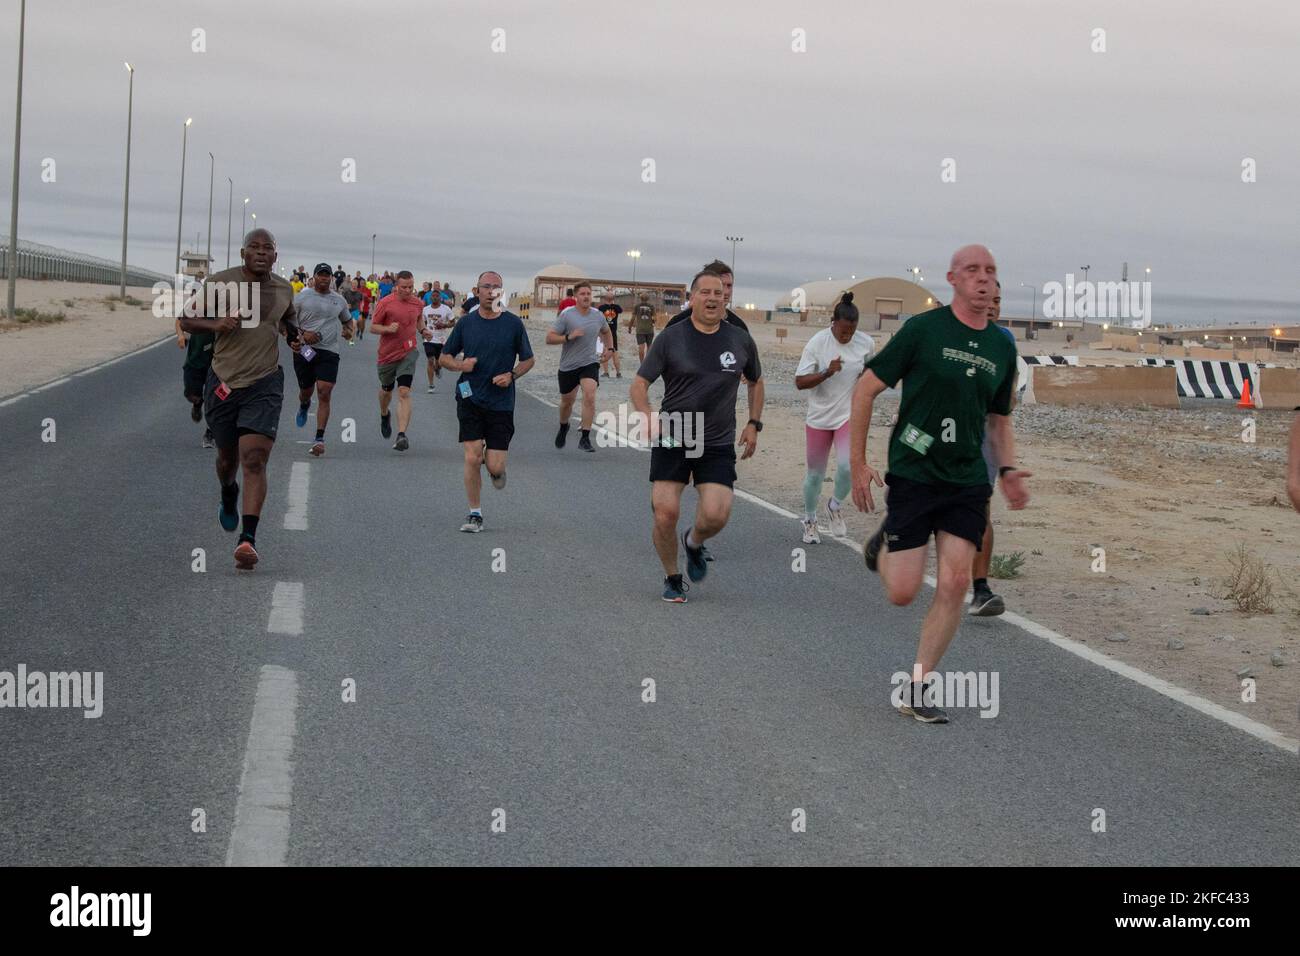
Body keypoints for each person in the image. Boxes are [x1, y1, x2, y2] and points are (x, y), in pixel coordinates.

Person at [850, 244, 1030, 723]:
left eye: (991, 271)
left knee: (953, 580)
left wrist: (1009, 470)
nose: (984, 279)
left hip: (968, 479)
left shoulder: (1001, 347)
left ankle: (919, 685)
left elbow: (998, 418)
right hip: (914, 470)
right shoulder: (922, 331)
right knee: (903, 592)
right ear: (952, 279)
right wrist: (858, 463)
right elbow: (866, 389)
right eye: (973, 270)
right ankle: (886, 541)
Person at [629, 270, 763, 603]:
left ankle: (693, 541)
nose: (713, 298)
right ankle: (673, 577)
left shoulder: (740, 339)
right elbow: (639, 383)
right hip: (675, 433)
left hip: (717, 440)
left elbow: (756, 381)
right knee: (664, 511)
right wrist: (646, 414)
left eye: (719, 293)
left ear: (725, 299)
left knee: (717, 514)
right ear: (692, 298)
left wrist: (754, 423)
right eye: (705, 292)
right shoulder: (671, 337)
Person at [180, 227, 299, 570]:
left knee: (255, 459)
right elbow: (186, 320)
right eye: (254, 248)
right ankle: (228, 492)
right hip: (224, 381)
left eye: (268, 249)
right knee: (227, 460)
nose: (261, 253)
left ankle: (248, 539)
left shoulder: (283, 289)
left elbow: (287, 322)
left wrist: (294, 336)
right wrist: (216, 325)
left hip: (264, 382)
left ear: (275, 256)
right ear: (243, 253)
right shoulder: (220, 282)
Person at [439, 270, 535, 532]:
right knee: (471, 458)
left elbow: (529, 359)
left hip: (501, 402)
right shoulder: (466, 324)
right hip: (469, 395)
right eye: (486, 286)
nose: (491, 291)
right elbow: (444, 357)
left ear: (501, 292)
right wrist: (461, 365)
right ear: (477, 290)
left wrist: (512, 375)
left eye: (496, 287)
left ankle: (494, 468)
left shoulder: (513, 324)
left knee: (494, 464)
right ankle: (475, 514)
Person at [794, 291, 875, 544]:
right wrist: (827, 372)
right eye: (842, 331)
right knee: (815, 476)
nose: (847, 336)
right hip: (818, 418)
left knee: (847, 466)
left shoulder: (865, 343)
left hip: (846, 416)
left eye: (851, 331)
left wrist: (866, 377)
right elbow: (799, 382)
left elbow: (871, 371)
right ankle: (810, 520)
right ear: (833, 322)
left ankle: (834, 505)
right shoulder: (818, 343)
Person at [969, 284, 1020, 616]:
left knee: (980, 509)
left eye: (997, 301)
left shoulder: (1005, 341)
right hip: (944, 433)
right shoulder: (951, 335)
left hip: (984, 435)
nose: (992, 306)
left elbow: (1009, 393)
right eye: (985, 300)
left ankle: (981, 589)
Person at [292, 263, 355, 457]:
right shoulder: (302, 297)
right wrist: (303, 335)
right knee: (306, 390)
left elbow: (347, 321)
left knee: (324, 391)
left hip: (329, 352)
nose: (324, 278)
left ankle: (319, 438)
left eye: (327, 275)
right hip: (305, 351)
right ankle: (304, 404)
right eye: (321, 275)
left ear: (331, 278)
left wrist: (347, 331)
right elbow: (286, 323)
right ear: (314, 276)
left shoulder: (338, 300)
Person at [546, 280, 612, 452]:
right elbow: (550, 338)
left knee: (589, 396)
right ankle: (563, 426)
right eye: (582, 294)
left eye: (588, 294)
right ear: (575, 296)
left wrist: (610, 348)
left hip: (589, 362)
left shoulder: (598, 315)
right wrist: (568, 337)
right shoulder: (567, 315)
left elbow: (606, 331)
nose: (586, 297)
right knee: (567, 402)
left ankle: (585, 438)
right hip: (568, 365)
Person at [368, 270, 424, 451]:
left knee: (404, 392)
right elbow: (373, 327)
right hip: (387, 355)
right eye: (404, 287)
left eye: (411, 287)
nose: (408, 291)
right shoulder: (386, 303)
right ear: (396, 287)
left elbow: (419, 320)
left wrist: (423, 331)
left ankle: (401, 435)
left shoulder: (418, 303)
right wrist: (387, 329)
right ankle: (385, 414)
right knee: (386, 390)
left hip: (408, 352)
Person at [176, 315, 215, 448]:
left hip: (217, 365)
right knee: (192, 395)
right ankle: (197, 404)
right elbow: (180, 320)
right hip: (195, 362)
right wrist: (180, 336)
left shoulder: (226, 305)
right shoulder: (197, 304)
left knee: (215, 400)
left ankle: (210, 433)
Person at [421, 291, 456, 392]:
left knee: (439, 362)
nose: (435, 298)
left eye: (437, 296)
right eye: (433, 296)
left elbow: (453, 322)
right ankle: (431, 385)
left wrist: (444, 325)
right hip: (429, 339)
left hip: (441, 340)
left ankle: (438, 368)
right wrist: (424, 332)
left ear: (440, 298)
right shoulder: (425, 310)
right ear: (430, 298)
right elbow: (422, 323)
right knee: (430, 360)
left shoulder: (446, 309)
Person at [598, 294, 623, 378]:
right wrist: (613, 303)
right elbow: (620, 310)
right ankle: (618, 373)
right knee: (615, 352)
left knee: (604, 351)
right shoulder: (616, 307)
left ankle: (606, 372)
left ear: (604, 299)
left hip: (604, 333)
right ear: (613, 299)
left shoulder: (601, 308)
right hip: (613, 333)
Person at [630, 293, 656, 362]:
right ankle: (647, 363)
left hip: (640, 330)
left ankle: (642, 364)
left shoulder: (637, 306)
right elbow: (655, 318)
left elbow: (632, 318)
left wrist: (630, 327)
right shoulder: (651, 306)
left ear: (640, 298)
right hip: (649, 329)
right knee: (649, 347)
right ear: (648, 299)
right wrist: (653, 323)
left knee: (641, 347)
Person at [340, 277, 362, 347]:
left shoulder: (359, 293)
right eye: (353, 283)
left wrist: (361, 309)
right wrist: (346, 305)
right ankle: (346, 332)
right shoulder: (346, 292)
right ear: (351, 284)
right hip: (347, 311)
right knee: (345, 326)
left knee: (354, 325)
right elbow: (342, 301)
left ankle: (351, 340)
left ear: (357, 285)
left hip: (355, 310)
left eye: (356, 284)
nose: (354, 285)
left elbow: (362, 302)